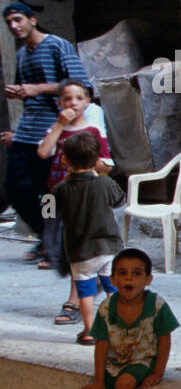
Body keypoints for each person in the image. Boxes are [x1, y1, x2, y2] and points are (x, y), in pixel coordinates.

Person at [3, 1, 92, 264]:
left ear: (32, 20)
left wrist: (38, 88)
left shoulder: (56, 45)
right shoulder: (22, 53)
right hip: (27, 132)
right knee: (16, 189)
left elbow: (80, 85)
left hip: (53, 131)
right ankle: (46, 237)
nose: (14, 26)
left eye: (18, 19)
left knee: (50, 192)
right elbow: (28, 92)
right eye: (9, 22)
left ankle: (54, 245)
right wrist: (19, 91)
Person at [64, 247, 180, 389]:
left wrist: (157, 373)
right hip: (113, 364)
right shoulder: (106, 308)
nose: (129, 278)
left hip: (143, 361)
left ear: (148, 279)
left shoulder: (156, 305)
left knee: (124, 383)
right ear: (112, 279)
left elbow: (165, 339)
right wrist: (98, 380)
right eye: (122, 273)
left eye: (137, 273)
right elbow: (102, 345)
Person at [37, 79, 113, 320]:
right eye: (67, 99)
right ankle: (86, 286)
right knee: (53, 240)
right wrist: (60, 124)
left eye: (79, 98)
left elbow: (107, 165)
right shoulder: (56, 129)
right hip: (56, 196)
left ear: (87, 101)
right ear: (59, 103)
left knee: (77, 250)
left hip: (83, 201)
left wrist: (89, 161)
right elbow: (43, 152)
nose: (73, 103)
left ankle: (75, 300)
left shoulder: (93, 131)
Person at [53, 131, 124, 345]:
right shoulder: (105, 183)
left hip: (80, 252)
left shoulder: (60, 189)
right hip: (110, 247)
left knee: (86, 293)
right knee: (112, 290)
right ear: (97, 160)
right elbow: (120, 201)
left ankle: (89, 331)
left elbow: (47, 212)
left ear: (65, 159)